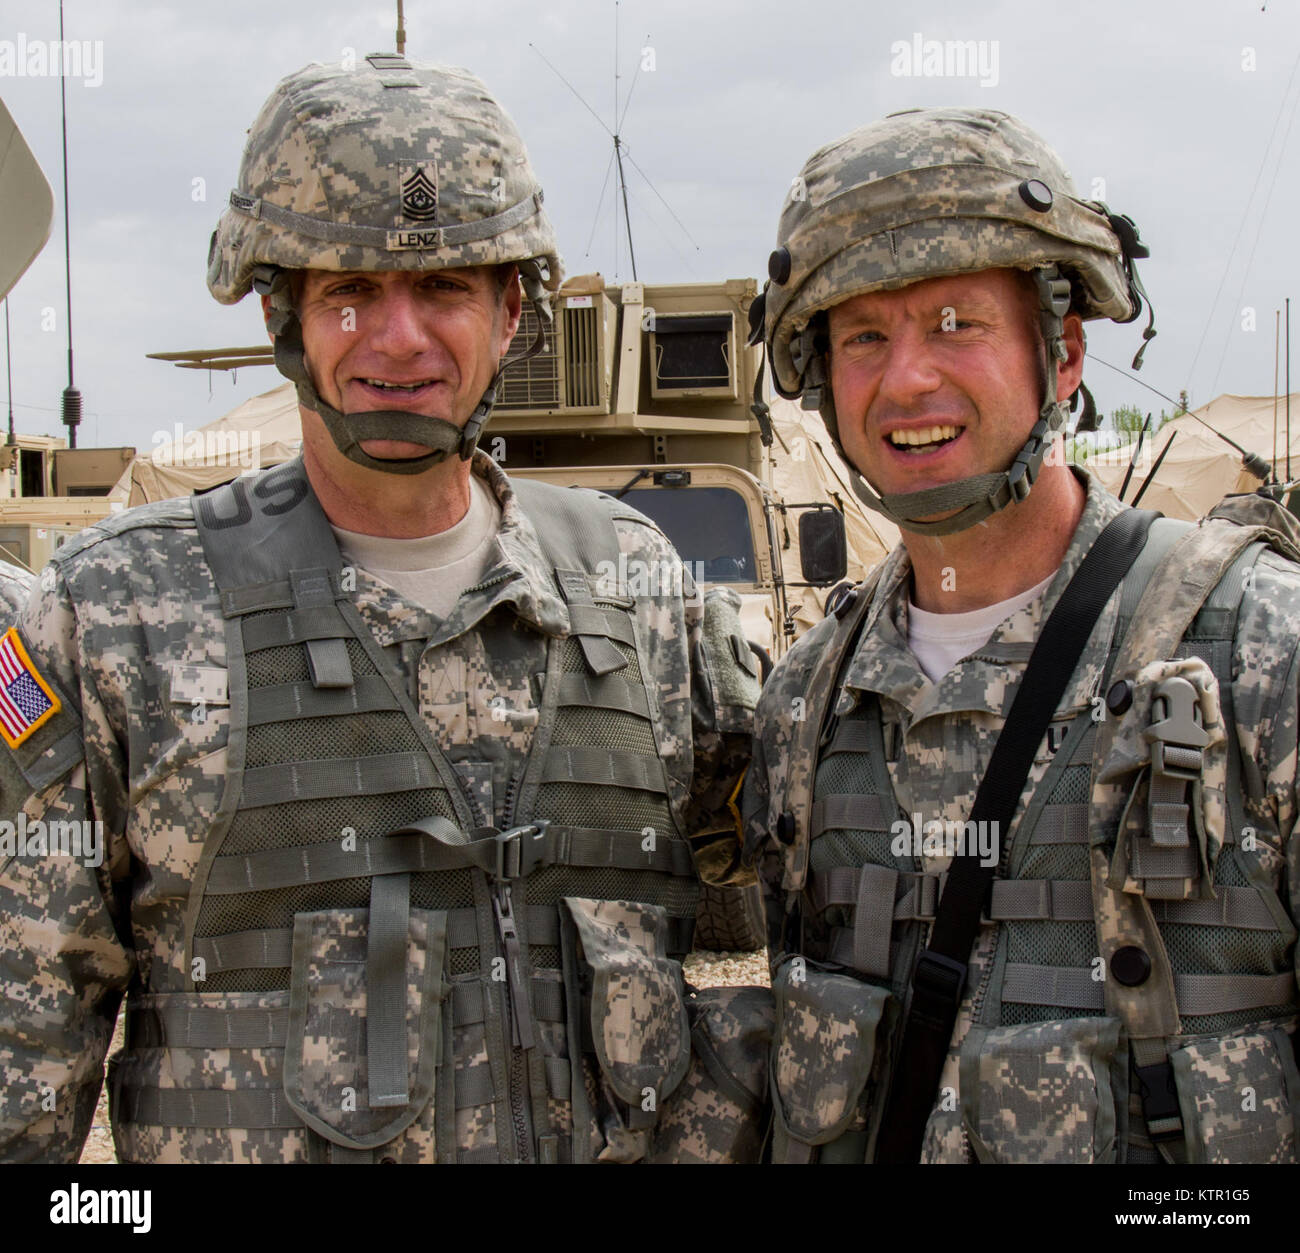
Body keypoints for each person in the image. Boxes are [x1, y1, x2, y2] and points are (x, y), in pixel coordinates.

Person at [0, 54, 769, 1164]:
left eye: (444, 286)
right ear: (283, 315)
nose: (399, 336)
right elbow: (22, 1053)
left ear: (510, 312)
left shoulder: (635, 589)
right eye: (349, 290)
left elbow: (839, 880)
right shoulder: (117, 616)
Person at [745, 106, 1300, 1164]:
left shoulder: (1261, 656)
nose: (907, 378)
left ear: (1064, 348)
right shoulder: (808, 706)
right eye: (863, 336)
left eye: (956, 321)